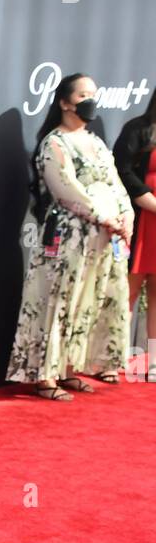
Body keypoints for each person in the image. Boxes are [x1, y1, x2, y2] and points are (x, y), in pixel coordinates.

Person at [6, 73, 134, 400]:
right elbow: (66, 189)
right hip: (68, 238)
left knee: (85, 304)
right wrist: (106, 217)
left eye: (93, 94)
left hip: (103, 240)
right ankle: (45, 376)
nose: (90, 101)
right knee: (58, 301)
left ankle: (69, 370)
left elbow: (117, 184)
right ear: (64, 102)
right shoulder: (54, 144)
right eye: (82, 95)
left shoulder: (97, 143)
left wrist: (125, 216)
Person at [113, 86, 156, 382]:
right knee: (127, 291)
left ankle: (153, 361)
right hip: (142, 219)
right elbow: (122, 170)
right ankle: (115, 357)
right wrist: (149, 201)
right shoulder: (138, 129)